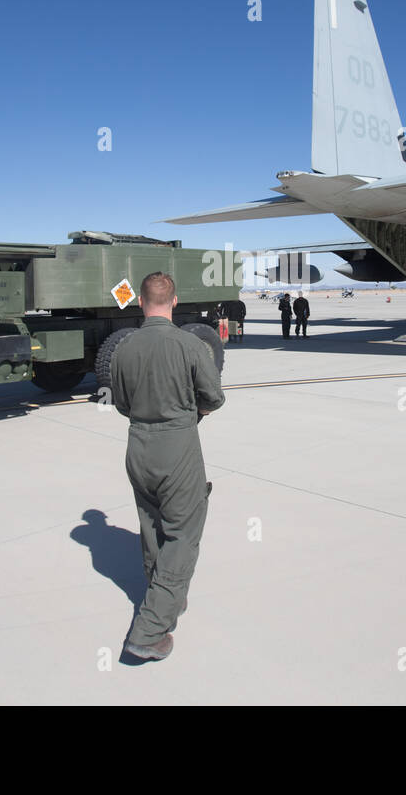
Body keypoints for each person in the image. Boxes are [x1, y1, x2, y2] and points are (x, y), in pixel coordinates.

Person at [110, 272, 225, 661]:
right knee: (181, 534)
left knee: (151, 527)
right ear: (174, 301)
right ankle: (150, 629)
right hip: (177, 447)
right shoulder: (189, 344)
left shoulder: (123, 347)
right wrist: (192, 414)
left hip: (138, 445)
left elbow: (121, 403)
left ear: (141, 302)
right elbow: (213, 397)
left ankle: (164, 597)